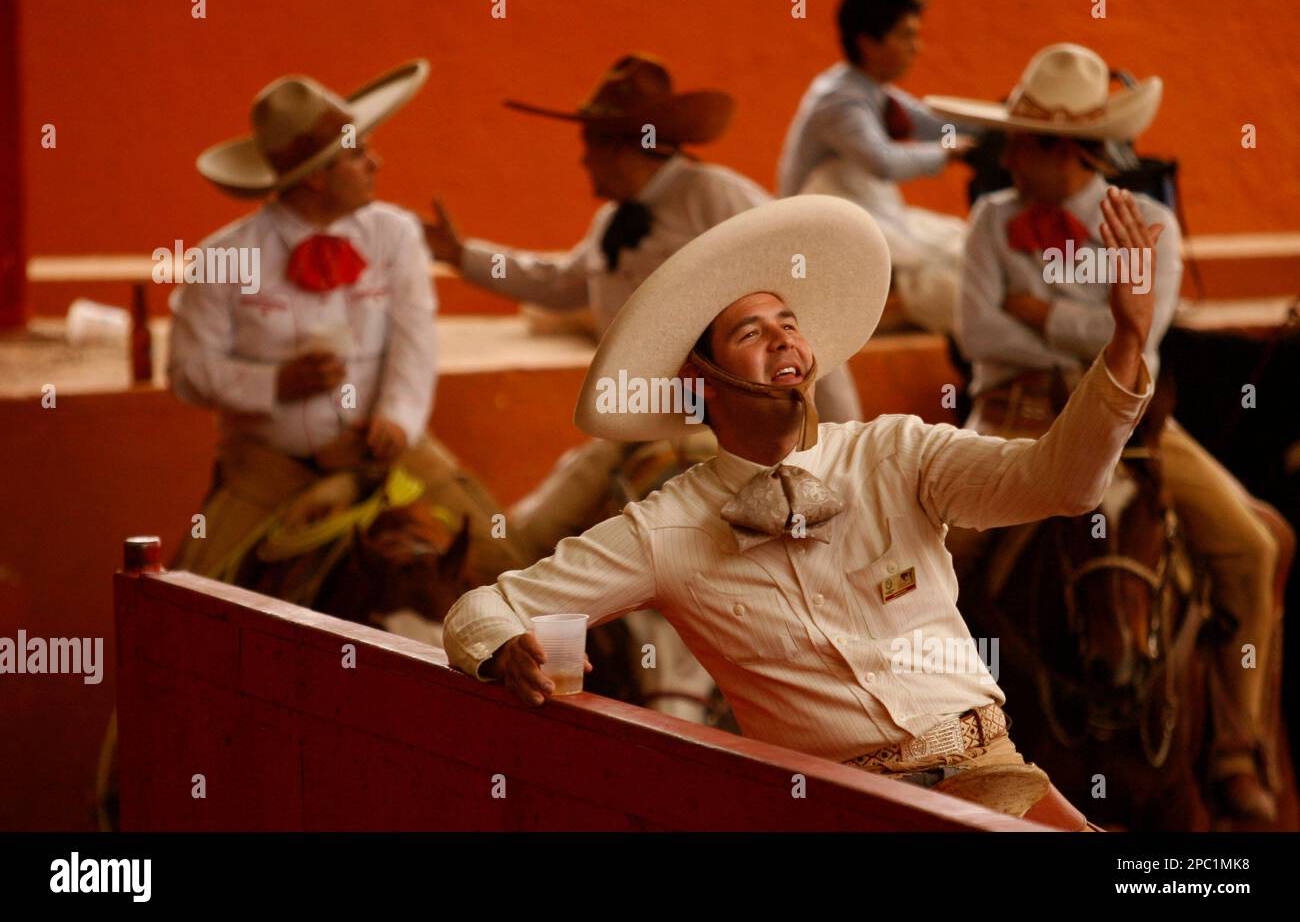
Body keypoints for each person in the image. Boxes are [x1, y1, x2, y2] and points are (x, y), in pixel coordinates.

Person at [440, 193, 1168, 829]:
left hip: (991, 777)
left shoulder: (898, 452)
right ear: (704, 383)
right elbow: (486, 607)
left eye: (788, 323)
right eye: (750, 333)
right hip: (832, 812)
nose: (783, 337)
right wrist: (505, 645)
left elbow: (1061, 483)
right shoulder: (662, 529)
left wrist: (1128, 342)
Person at [933, 42, 1284, 822]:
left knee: (1252, 546)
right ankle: (948, 747)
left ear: (1064, 151)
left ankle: (1234, 743)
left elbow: (1140, 339)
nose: (1007, 155)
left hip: (1128, 417)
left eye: (1020, 140)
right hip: (1009, 414)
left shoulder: (1148, 220)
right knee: (936, 556)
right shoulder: (993, 219)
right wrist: (1088, 328)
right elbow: (979, 336)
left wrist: (1045, 315)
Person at [424, 55, 869, 558]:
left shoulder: (716, 197)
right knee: (530, 534)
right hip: (637, 421)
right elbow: (561, 283)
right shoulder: (612, 219)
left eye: (589, 148)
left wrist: (835, 447)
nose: (583, 162)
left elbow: (800, 320)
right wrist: (462, 256)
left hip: (722, 429)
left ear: (620, 149)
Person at [169, 59, 526, 597]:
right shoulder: (222, 256)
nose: (375, 164)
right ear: (317, 174)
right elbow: (188, 372)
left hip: (387, 453)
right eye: (358, 155)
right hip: (271, 468)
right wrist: (272, 386)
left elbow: (415, 340)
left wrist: (398, 418)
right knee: (200, 598)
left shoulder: (396, 234)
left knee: (503, 562)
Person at [777, 0, 974, 335]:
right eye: (905, 36)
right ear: (868, 42)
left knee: (963, 242)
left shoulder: (869, 90)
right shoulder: (840, 99)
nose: (916, 47)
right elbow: (883, 161)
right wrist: (950, 152)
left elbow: (933, 125)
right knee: (944, 269)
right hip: (829, 239)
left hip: (875, 220)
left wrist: (1003, 125)